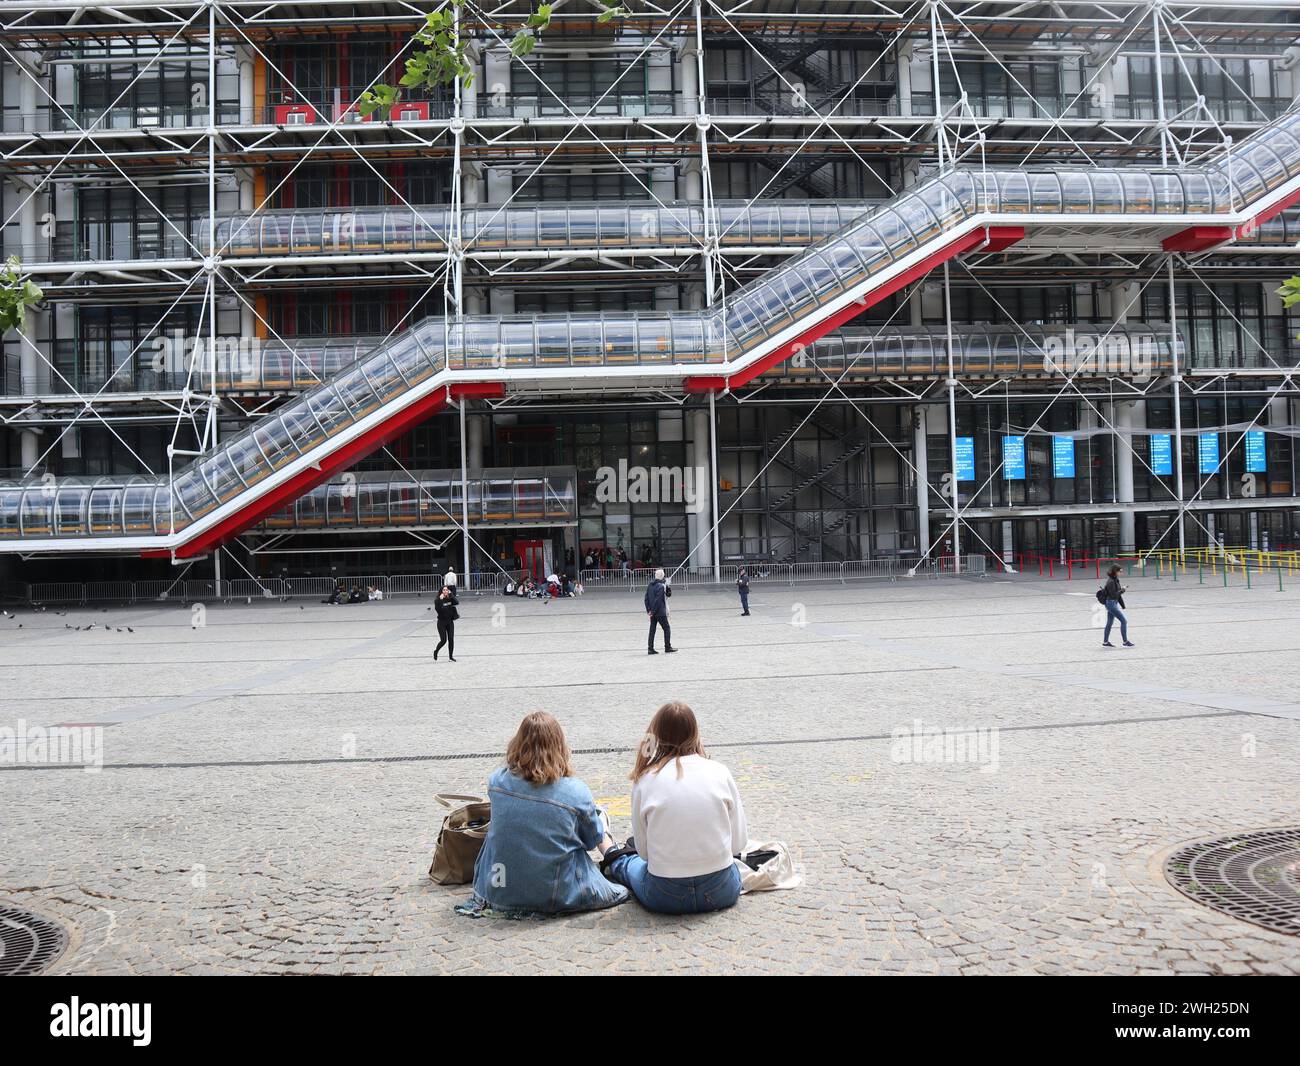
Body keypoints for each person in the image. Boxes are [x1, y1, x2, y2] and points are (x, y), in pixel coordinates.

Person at [464, 712, 628, 916]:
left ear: (518, 743)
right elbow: (590, 840)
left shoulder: (497, 781)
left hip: (498, 890)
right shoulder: (575, 791)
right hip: (555, 894)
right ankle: (615, 857)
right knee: (598, 821)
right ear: (559, 746)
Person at [599, 701, 745, 915]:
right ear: (696, 733)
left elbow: (645, 853)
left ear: (655, 736)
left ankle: (612, 852)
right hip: (720, 891)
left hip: (664, 894)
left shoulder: (645, 779)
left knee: (630, 864)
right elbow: (738, 844)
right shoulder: (720, 771)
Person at [1100, 564, 1134, 648]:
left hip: (1112, 603)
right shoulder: (1111, 582)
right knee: (1124, 621)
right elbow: (1114, 595)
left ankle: (1105, 642)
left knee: (1109, 623)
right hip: (1111, 603)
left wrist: (1122, 605)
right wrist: (1122, 590)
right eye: (1120, 571)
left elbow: (1117, 593)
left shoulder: (1115, 580)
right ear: (1115, 571)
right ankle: (1125, 641)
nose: (1121, 573)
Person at [644, 567, 675, 655]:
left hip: (652, 612)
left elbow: (646, 599)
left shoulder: (650, 585)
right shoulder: (661, 587)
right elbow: (658, 600)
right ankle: (667, 647)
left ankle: (650, 648)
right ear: (662, 576)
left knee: (652, 629)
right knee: (666, 628)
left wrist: (649, 611)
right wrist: (653, 611)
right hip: (660, 611)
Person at [433, 583, 459, 661]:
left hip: (450, 622)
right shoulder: (437, 600)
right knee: (443, 640)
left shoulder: (450, 598)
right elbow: (438, 610)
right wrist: (440, 600)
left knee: (451, 639)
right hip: (441, 622)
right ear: (441, 591)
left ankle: (450, 657)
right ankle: (436, 651)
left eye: (446, 590)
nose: (445, 591)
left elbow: (457, 602)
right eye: (444, 590)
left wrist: (451, 594)